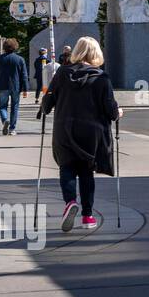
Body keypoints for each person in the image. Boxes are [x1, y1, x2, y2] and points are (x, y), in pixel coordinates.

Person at [39, 37, 122, 232]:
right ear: (96, 53)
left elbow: (47, 105)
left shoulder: (62, 73)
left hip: (64, 128)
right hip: (91, 131)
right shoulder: (101, 77)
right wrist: (118, 112)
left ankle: (70, 203)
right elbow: (110, 110)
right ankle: (87, 215)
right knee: (86, 171)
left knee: (66, 167)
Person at [0, 38, 29, 136]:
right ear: (15, 47)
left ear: (4, 47)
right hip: (16, 86)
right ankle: (12, 129)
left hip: (2, 85)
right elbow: (24, 75)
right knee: (14, 107)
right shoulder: (20, 59)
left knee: (3, 106)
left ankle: (4, 121)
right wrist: (25, 88)